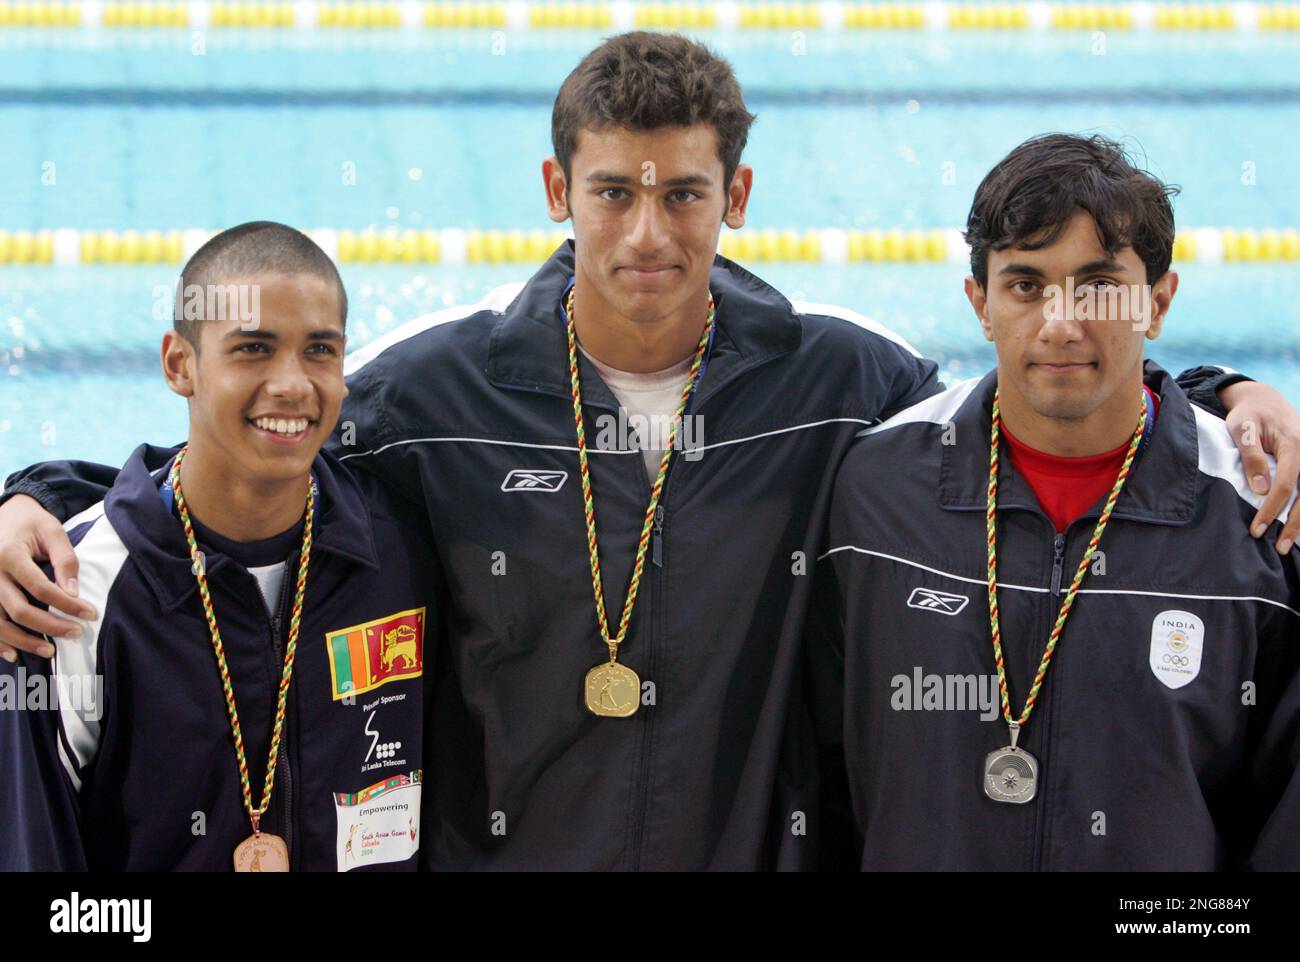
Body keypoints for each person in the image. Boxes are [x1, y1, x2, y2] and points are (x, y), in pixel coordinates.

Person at [1, 36, 1295, 871]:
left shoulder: (840, 381)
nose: (648, 235)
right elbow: (249, 456)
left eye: (683, 192)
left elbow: (1030, 401)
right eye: (614, 191)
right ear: (559, 192)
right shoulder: (432, 393)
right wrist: (30, 496)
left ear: (735, 198)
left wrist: (1214, 389)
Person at [809, 134, 1300, 870]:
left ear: (1157, 302)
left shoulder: (1259, 519)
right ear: (979, 303)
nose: (1060, 323)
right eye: (1026, 284)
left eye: (1099, 285)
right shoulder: (876, 492)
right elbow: (815, 770)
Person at [0, 223, 437, 871]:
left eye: (319, 350)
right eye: (254, 349)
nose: (292, 384)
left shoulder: (406, 553)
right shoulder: (65, 597)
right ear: (181, 364)